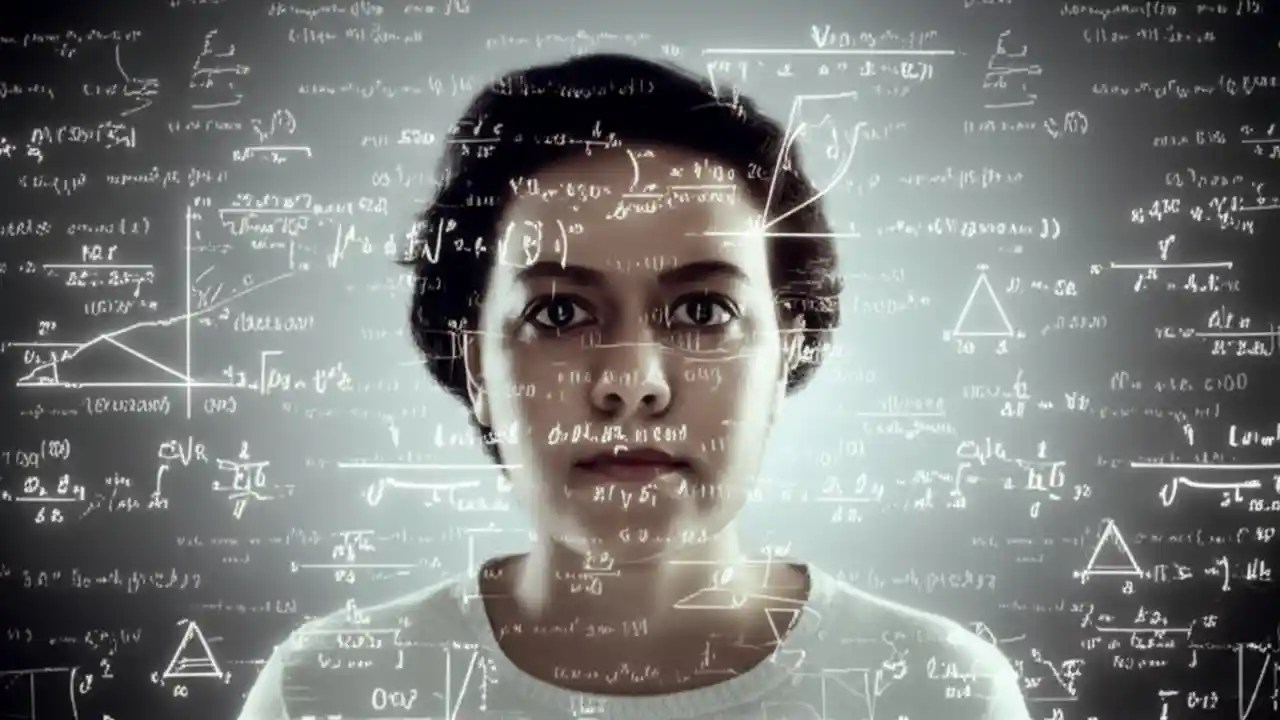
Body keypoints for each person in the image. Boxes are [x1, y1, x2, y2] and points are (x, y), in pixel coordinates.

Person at [237, 52, 1031, 720]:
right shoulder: (326, 692)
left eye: (702, 309)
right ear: (475, 362)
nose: (631, 385)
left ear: (787, 351)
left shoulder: (944, 693)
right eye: (557, 314)